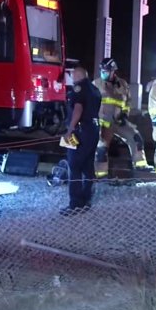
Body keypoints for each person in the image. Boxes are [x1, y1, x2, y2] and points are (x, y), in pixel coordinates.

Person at [93, 57, 151, 178]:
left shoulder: (123, 85)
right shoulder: (96, 84)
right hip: (103, 123)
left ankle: (140, 165)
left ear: (113, 71)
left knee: (136, 137)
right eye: (102, 71)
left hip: (118, 121)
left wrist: (124, 114)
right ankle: (100, 175)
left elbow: (128, 102)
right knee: (101, 149)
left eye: (106, 71)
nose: (103, 73)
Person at [61, 66, 102, 215]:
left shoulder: (78, 88)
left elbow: (78, 109)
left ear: (76, 75)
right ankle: (86, 200)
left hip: (79, 131)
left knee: (74, 165)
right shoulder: (94, 89)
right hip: (94, 130)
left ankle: (75, 204)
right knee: (87, 165)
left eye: (72, 75)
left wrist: (70, 129)